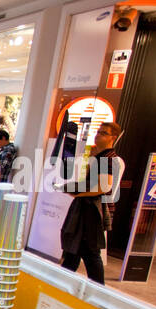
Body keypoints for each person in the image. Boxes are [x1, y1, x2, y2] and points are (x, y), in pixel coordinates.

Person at [60, 122, 123, 286]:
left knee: (89, 250)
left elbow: (103, 186)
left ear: (113, 138)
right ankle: (62, 283)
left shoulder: (108, 158)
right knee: (75, 249)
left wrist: (76, 191)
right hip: (86, 208)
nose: (98, 135)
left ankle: (98, 289)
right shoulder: (100, 157)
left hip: (92, 211)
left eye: (103, 133)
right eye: (98, 132)